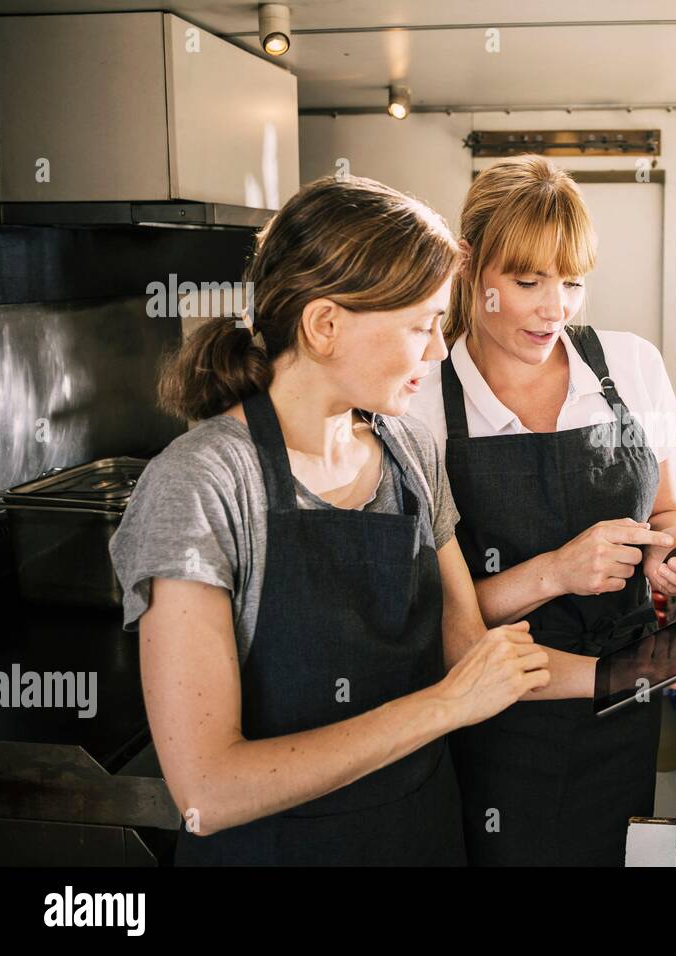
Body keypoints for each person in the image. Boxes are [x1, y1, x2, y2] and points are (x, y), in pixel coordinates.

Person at [110, 176, 550, 865]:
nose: (438, 350)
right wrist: (443, 707)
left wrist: (634, 673)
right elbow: (207, 791)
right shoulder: (202, 483)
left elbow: (466, 649)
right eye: (421, 324)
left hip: (422, 839)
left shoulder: (409, 451)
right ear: (324, 326)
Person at [409, 155, 676, 864]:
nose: (554, 308)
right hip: (492, 717)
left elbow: (668, 509)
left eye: (572, 282)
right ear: (470, 268)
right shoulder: (422, 404)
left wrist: (673, 552)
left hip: (626, 693)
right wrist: (555, 571)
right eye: (527, 282)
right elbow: (427, 622)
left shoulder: (632, 366)